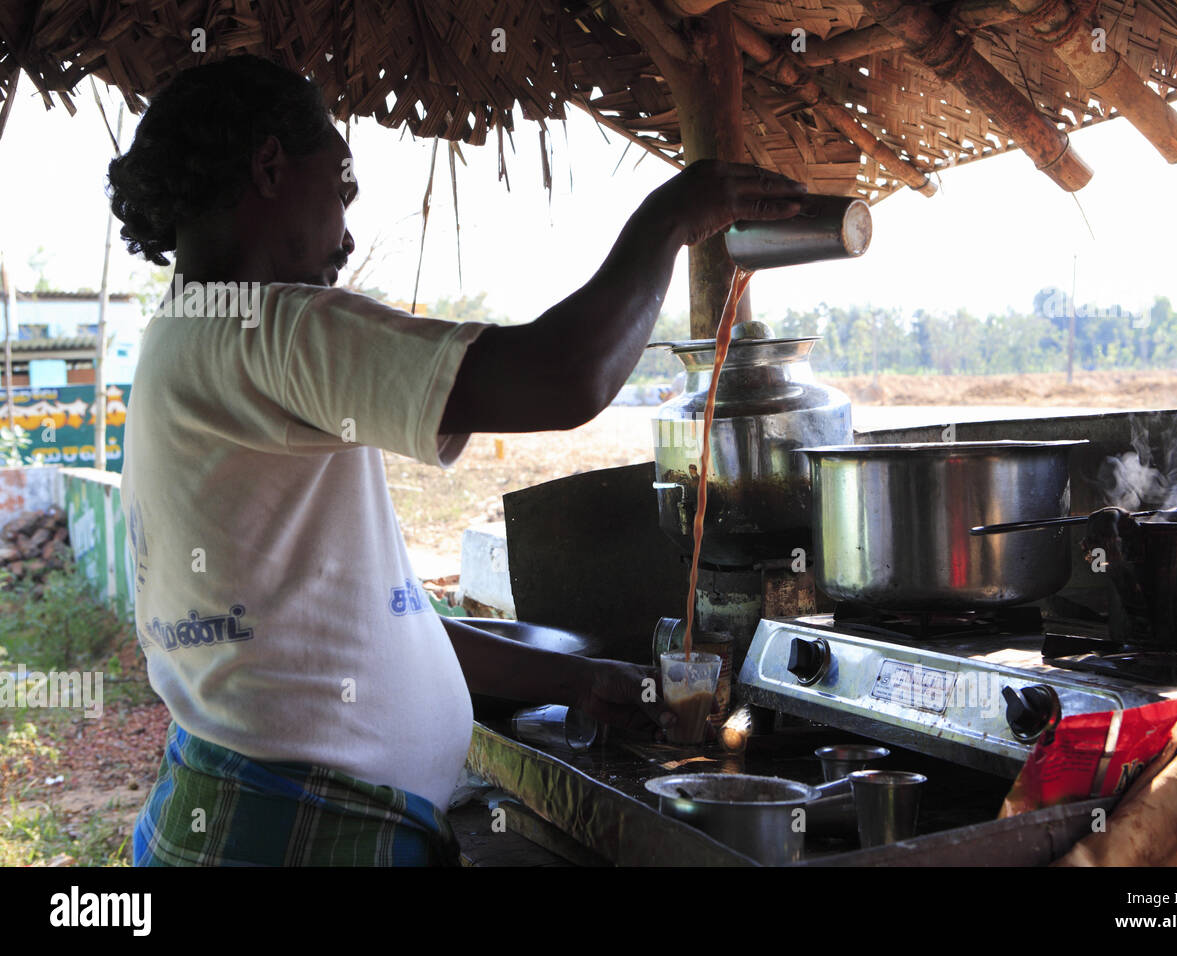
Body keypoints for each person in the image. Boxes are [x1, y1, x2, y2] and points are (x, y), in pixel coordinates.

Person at [110, 55, 806, 866]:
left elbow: (360, 622)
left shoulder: (183, 338)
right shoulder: (270, 327)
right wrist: (668, 221)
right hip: (296, 836)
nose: (346, 235)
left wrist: (572, 683)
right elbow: (565, 376)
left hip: (258, 815)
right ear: (270, 167)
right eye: (342, 191)